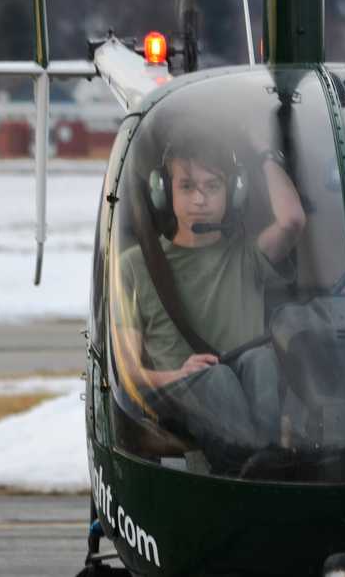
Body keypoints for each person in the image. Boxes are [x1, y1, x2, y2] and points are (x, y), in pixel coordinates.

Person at [115, 129, 306, 471]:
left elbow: (292, 221)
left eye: (213, 186)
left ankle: (259, 467)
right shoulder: (136, 266)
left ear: (234, 193)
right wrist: (177, 374)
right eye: (187, 187)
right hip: (176, 398)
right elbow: (129, 371)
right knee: (216, 377)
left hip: (245, 393)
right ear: (164, 193)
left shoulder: (247, 256)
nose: (200, 200)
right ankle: (263, 469)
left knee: (262, 362)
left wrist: (265, 152)